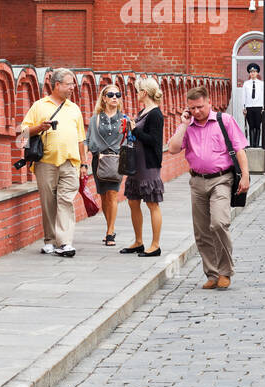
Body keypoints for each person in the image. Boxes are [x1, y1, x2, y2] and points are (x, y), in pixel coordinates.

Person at [166, 85, 250, 290]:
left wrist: (246, 176)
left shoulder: (224, 121)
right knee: (202, 231)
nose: (196, 111)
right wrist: (184, 124)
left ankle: (226, 271)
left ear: (209, 102)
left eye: (200, 107)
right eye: (192, 108)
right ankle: (212, 274)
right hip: (197, 181)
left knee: (219, 222)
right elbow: (173, 148)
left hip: (221, 179)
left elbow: (239, 149)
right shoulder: (189, 125)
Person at [20, 68, 88, 258]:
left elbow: (81, 139)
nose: (72, 88)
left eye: (73, 84)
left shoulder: (74, 108)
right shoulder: (39, 106)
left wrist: (84, 164)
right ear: (57, 85)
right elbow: (22, 134)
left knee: (65, 200)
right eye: (69, 84)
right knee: (48, 202)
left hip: (70, 162)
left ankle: (65, 242)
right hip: (46, 163)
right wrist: (39, 128)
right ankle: (50, 240)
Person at [119, 78, 166, 256]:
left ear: (144, 93)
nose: (136, 94)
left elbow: (153, 141)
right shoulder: (143, 111)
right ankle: (138, 241)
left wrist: (134, 129)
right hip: (135, 163)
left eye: (138, 91)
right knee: (133, 201)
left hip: (148, 164)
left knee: (152, 203)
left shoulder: (155, 114)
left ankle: (155, 245)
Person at [86, 82, 129, 247]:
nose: (114, 98)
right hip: (99, 160)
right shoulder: (95, 119)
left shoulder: (124, 119)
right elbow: (89, 140)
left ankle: (110, 231)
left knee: (112, 194)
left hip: (118, 160)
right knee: (103, 196)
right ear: (103, 98)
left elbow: (130, 140)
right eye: (110, 95)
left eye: (117, 95)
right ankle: (109, 226)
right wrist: (85, 160)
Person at [241, 63, 265, 149]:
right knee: (251, 126)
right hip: (249, 107)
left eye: (254, 72)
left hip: (258, 107)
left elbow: (263, 95)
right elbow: (244, 96)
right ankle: (251, 144)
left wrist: (263, 107)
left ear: (257, 73)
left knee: (258, 126)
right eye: (251, 72)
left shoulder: (261, 84)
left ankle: (257, 144)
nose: (252, 73)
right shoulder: (246, 84)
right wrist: (244, 107)